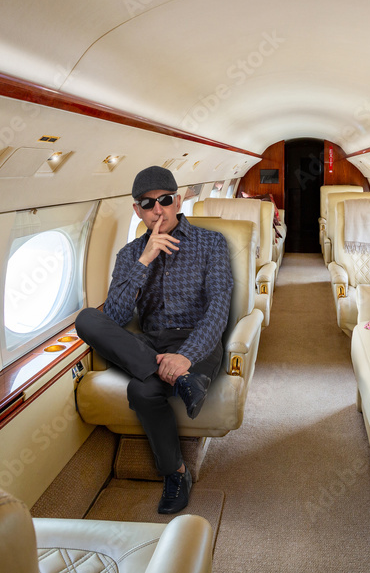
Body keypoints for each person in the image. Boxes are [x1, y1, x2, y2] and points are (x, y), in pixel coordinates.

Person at [75, 166, 233, 514]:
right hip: (150, 344)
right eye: (147, 204)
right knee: (87, 318)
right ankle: (177, 467)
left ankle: (174, 469)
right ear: (137, 211)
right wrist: (145, 260)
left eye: (164, 200)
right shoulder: (130, 255)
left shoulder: (211, 244)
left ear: (177, 202)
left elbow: (219, 309)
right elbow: (115, 316)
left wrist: (187, 358)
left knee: (140, 389)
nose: (157, 209)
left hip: (198, 342)